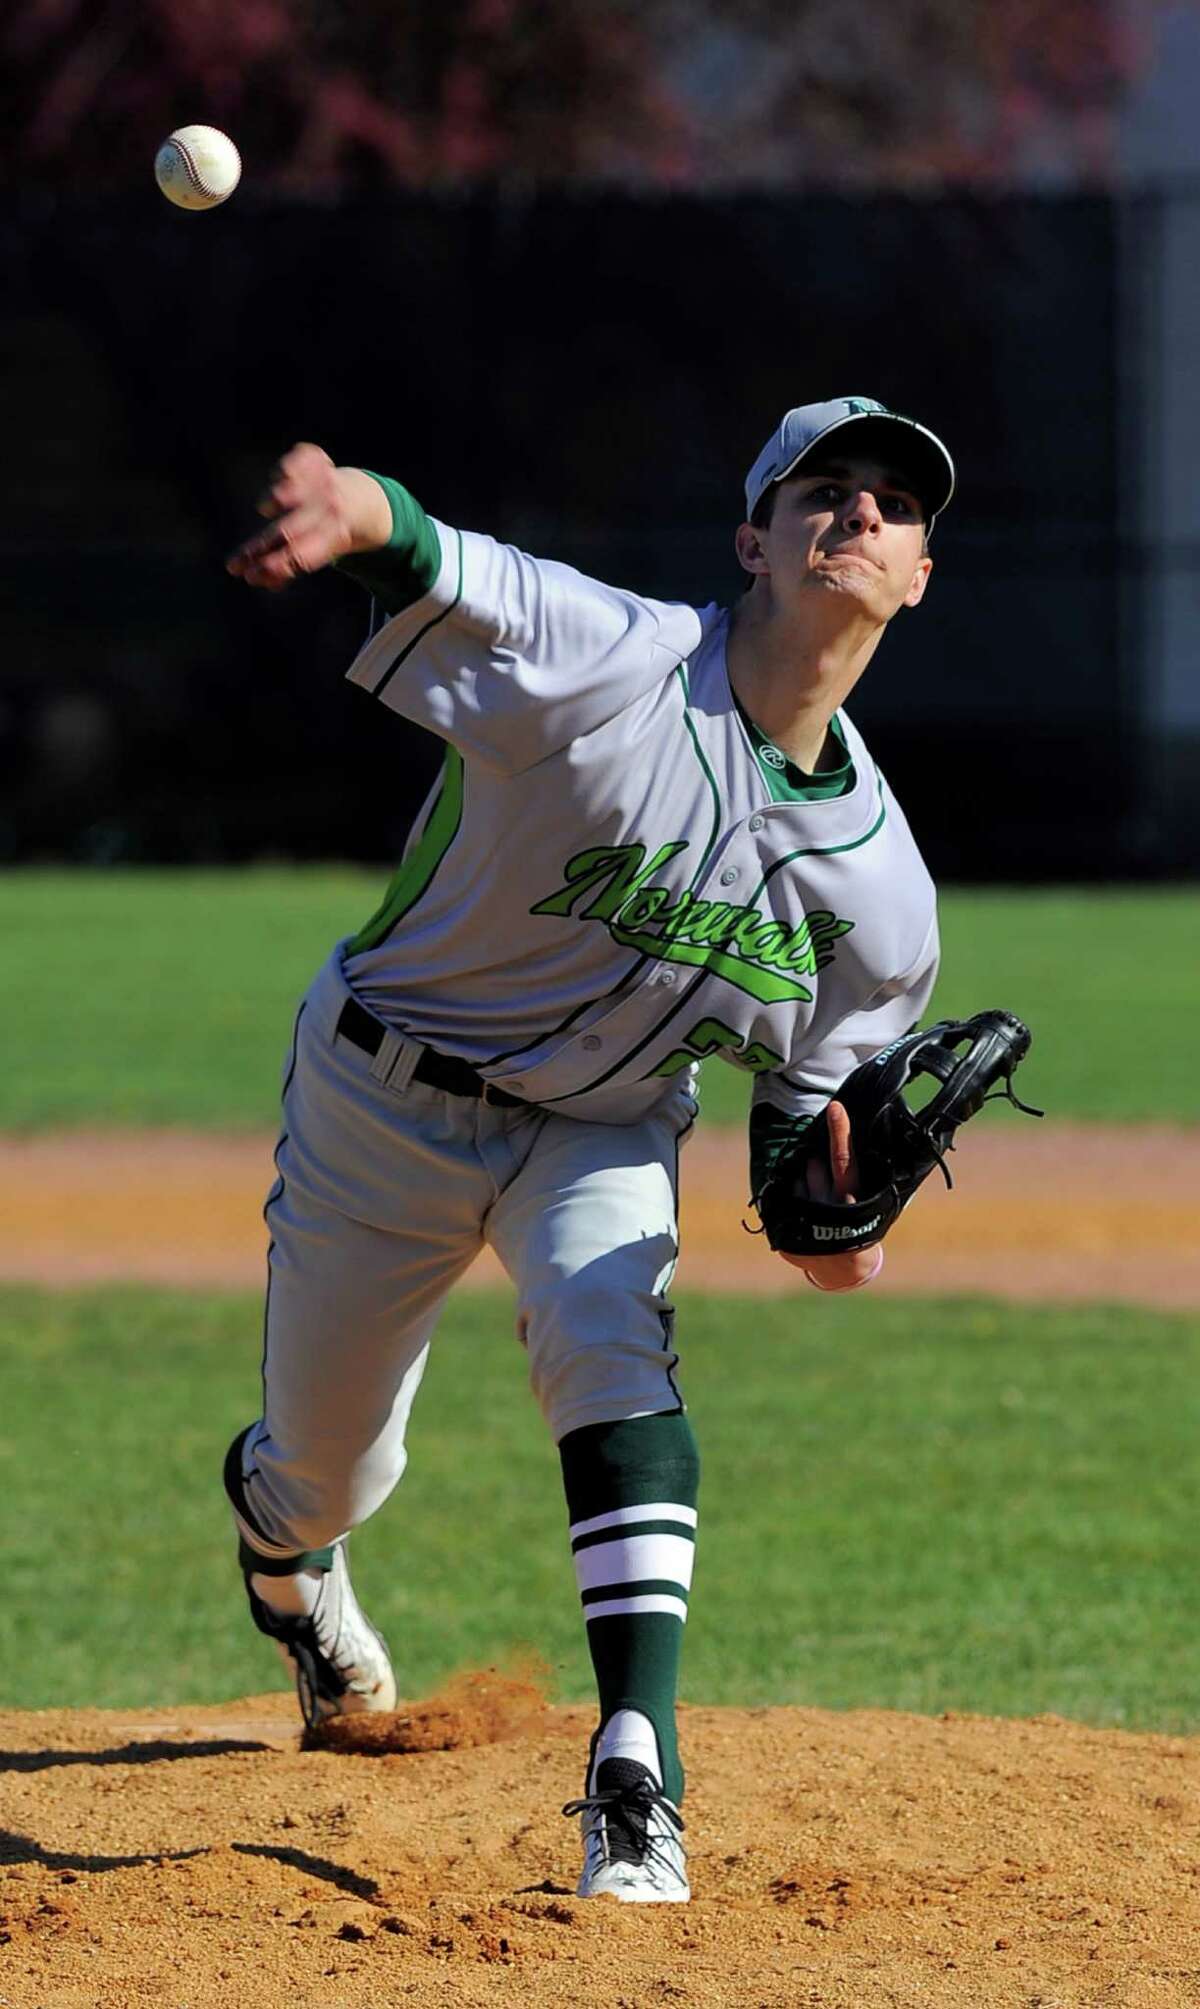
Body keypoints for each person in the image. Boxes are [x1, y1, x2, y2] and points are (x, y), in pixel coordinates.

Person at [222, 395, 954, 1904]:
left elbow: (809, 1153)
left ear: (920, 576)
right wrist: (348, 508)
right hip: (385, 1091)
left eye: (896, 501)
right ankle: (290, 1570)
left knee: (610, 1334)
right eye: (823, 488)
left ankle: (636, 1770)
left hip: (604, 1121)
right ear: (754, 542)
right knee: (327, 1471)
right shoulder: (622, 655)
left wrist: (840, 1221)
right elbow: (439, 557)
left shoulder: (883, 896)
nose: (862, 512)